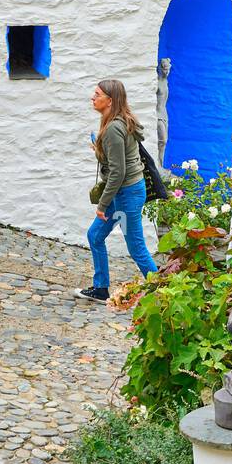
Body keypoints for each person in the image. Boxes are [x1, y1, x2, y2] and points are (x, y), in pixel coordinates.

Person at [76, 80, 157, 302]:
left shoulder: (113, 128)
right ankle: (101, 288)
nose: (93, 97)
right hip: (122, 192)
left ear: (110, 100)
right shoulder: (117, 121)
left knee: (136, 247)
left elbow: (118, 173)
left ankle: (163, 294)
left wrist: (102, 205)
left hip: (126, 194)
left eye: (97, 94)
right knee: (95, 235)